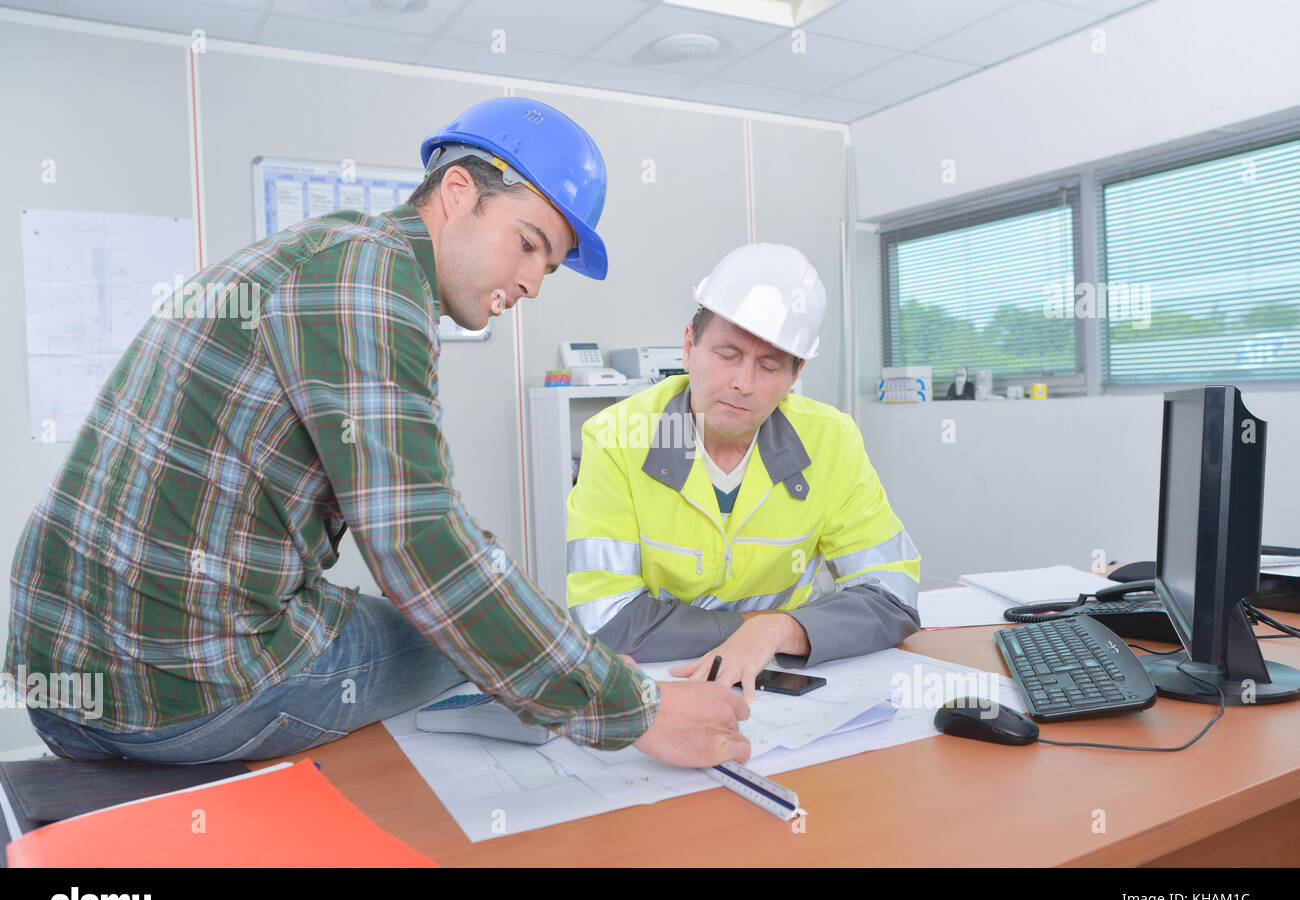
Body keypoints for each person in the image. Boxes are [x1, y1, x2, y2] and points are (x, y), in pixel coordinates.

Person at [6, 97, 748, 768]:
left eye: (547, 268)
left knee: (444, 618)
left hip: (61, 683)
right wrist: (634, 707)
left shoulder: (322, 254)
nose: (531, 283)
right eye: (527, 244)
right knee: (457, 636)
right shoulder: (373, 279)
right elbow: (424, 545)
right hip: (186, 695)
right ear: (458, 193)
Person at [566, 244, 922, 699]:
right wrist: (760, 628)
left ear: (795, 376)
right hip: (666, 686)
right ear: (690, 346)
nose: (743, 383)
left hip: (792, 678)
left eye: (769, 365)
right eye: (728, 355)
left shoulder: (831, 440)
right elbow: (606, 619)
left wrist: (779, 634)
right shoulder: (617, 437)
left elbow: (892, 595)